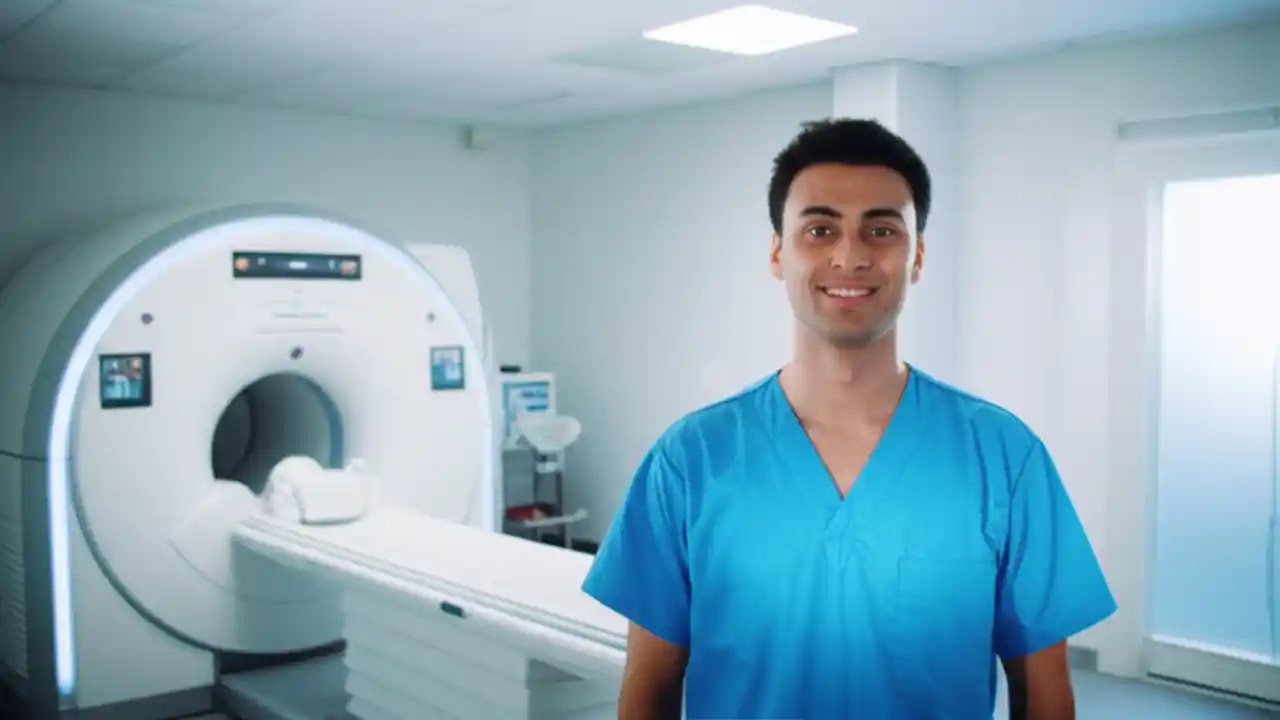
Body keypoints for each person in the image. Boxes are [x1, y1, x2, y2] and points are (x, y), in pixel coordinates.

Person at [580, 118, 1116, 719]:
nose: (850, 255)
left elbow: (1044, 693)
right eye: (820, 228)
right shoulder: (691, 461)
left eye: (881, 229)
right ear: (779, 253)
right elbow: (650, 686)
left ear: (916, 257)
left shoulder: (1003, 457)